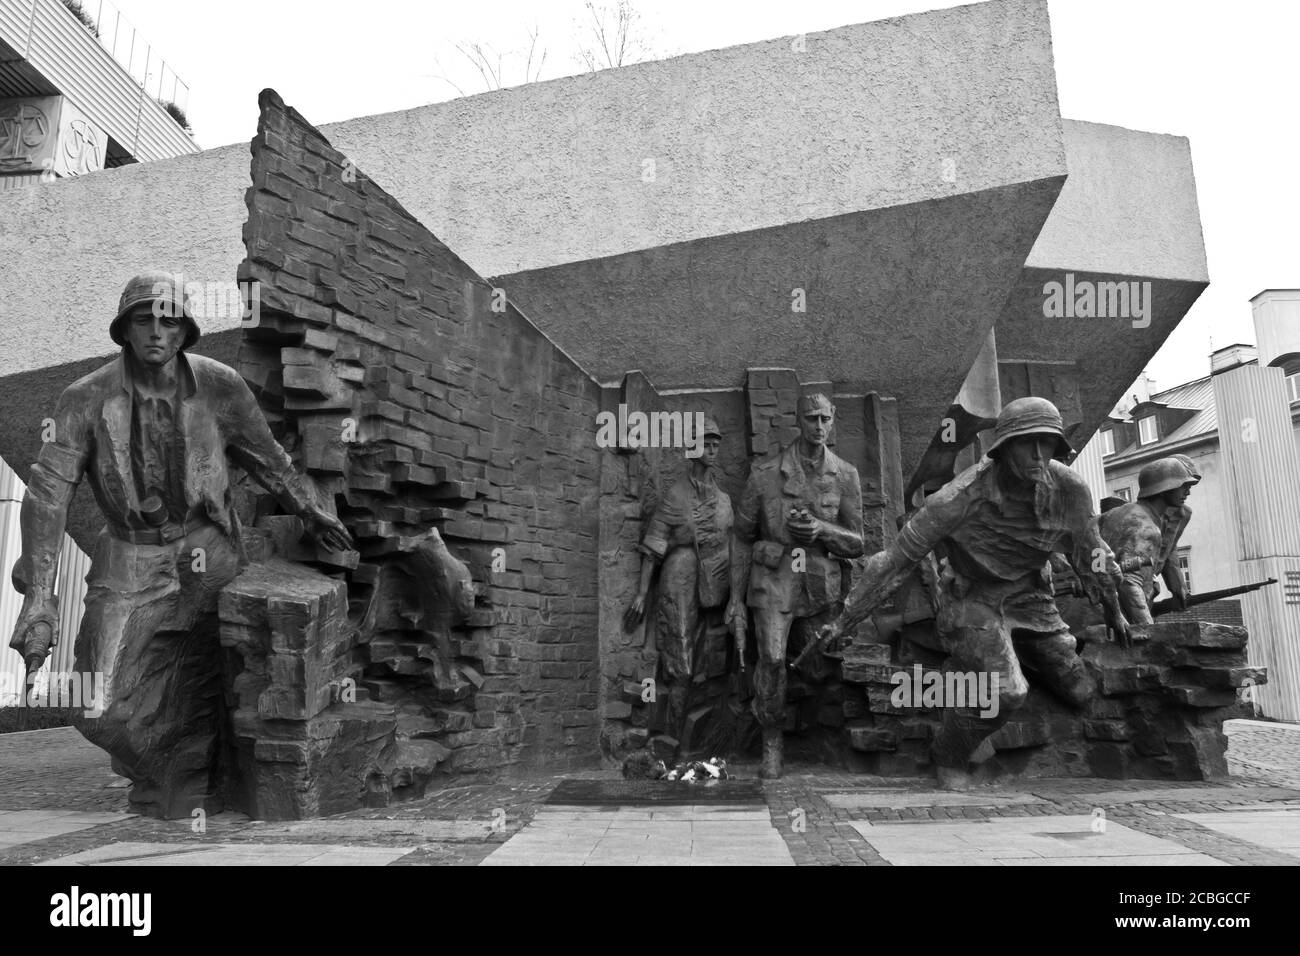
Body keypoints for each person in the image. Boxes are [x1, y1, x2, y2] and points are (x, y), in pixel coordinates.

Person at [8, 272, 352, 817]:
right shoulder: (84, 398)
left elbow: (268, 459)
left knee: (211, 677)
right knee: (98, 707)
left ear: (186, 330)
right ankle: (174, 771)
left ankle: (196, 782)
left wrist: (312, 511)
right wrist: (40, 597)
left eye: (169, 320)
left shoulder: (219, 385)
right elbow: (48, 493)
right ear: (124, 330)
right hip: (130, 556)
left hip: (208, 547)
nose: (157, 331)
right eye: (144, 319)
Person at [816, 397, 1130, 790]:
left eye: (1047, 444)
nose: (1038, 455)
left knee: (1080, 689)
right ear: (1002, 449)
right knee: (1006, 691)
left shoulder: (1070, 488)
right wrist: (845, 621)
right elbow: (894, 563)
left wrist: (1117, 612)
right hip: (973, 600)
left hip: (1033, 597)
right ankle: (950, 753)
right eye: (1026, 443)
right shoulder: (956, 498)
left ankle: (979, 694)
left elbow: (1093, 554)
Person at [727, 393, 864, 779]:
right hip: (773, 580)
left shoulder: (846, 475)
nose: (818, 426)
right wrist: (735, 601)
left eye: (824, 418)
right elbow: (740, 536)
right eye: (810, 419)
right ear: (798, 421)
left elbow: (858, 541)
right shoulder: (766, 474)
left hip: (820, 585)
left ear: (833, 419)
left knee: (819, 667)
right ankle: (772, 742)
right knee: (771, 658)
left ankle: (822, 738)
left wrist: (822, 530)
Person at [625, 418, 731, 751]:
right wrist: (642, 593)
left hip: (715, 583)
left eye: (716, 443)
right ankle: (669, 742)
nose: (712, 449)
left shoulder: (725, 499)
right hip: (679, 579)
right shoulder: (675, 495)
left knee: (710, 660)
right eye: (705, 443)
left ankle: (699, 741)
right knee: (680, 661)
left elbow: (733, 543)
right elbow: (653, 545)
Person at [1100, 457, 1199, 624]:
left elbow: (1168, 548)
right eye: (1182, 486)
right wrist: (1148, 628)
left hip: (1101, 608)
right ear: (1164, 488)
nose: (1187, 492)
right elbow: (1129, 584)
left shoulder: (1126, 512)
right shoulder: (1146, 528)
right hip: (1105, 615)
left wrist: (1177, 586)